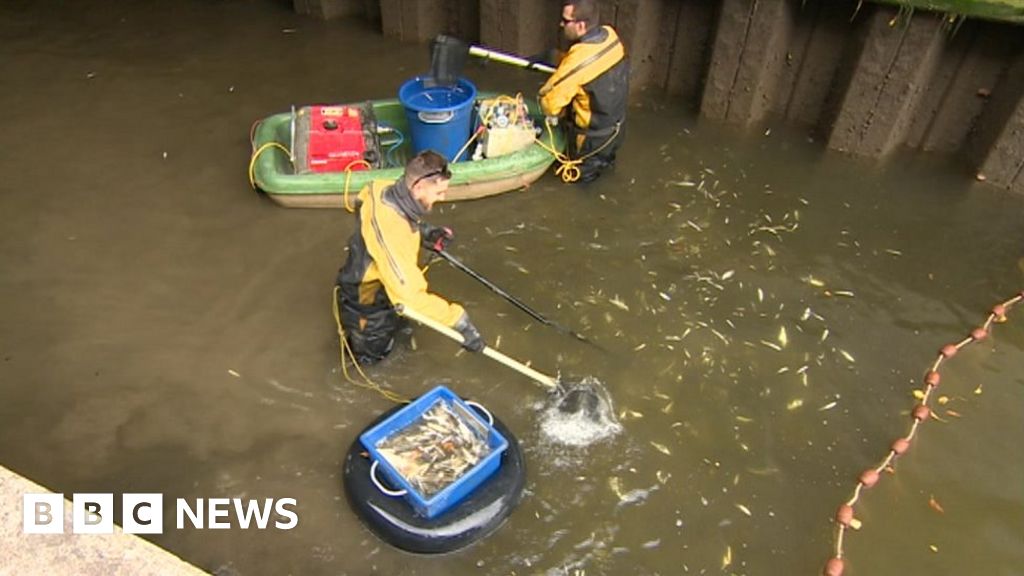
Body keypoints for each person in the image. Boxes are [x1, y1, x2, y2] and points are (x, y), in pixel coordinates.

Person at [335, 150, 485, 365]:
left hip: (380, 283)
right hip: (367, 307)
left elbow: (363, 202)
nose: (443, 197)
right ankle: (364, 356)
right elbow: (408, 297)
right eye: (439, 192)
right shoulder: (391, 234)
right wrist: (458, 321)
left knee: (402, 327)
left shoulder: (380, 188)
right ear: (418, 188)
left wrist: (425, 233)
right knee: (373, 357)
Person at [539, 0, 629, 184]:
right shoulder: (611, 36)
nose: (561, 24)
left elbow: (549, 103)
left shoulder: (578, 62)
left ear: (580, 26)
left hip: (590, 142)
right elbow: (591, 66)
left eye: (565, 20)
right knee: (604, 172)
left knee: (579, 184)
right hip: (616, 131)